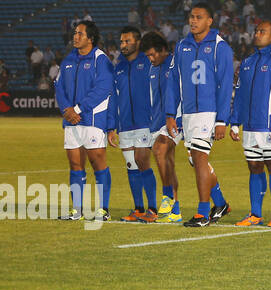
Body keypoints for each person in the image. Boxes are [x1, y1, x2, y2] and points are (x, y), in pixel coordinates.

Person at [164, 4, 234, 228]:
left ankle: (203, 214)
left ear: (210, 21)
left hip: (208, 112)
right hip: (187, 113)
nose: (193, 21)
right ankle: (221, 204)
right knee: (196, 160)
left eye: (199, 17)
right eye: (191, 17)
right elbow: (174, 82)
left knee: (200, 158)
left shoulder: (219, 47)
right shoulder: (182, 46)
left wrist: (222, 119)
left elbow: (225, 86)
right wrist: (170, 113)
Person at [228, 20, 271, 227]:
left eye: (263, 31)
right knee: (254, 167)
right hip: (250, 126)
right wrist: (235, 122)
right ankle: (255, 213)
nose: (257, 34)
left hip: (269, 126)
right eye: (256, 31)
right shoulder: (247, 62)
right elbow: (240, 94)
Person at [55, 21, 116, 221]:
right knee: (75, 163)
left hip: (92, 119)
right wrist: (66, 110)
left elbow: (103, 89)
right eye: (75, 33)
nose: (75, 36)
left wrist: (78, 109)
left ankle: (103, 209)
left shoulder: (101, 59)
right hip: (72, 120)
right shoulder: (68, 60)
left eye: (80, 34)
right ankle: (77, 210)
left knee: (97, 161)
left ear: (90, 38)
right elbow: (59, 87)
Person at [112, 25, 159, 222]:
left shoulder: (147, 62)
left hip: (144, 122)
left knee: (142, 161)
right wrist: (112, 125)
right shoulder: (119, 67)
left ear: (138, 43)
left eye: (127, 41)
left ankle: (153, 209)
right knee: (131, 165)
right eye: (122, 41)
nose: (123, 45)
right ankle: (138, 208)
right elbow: (114, 97)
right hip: (125, 124)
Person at [140, 32, 183, 223]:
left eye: (153, 54)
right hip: (156, 122)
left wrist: (175, 116)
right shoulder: (151, 69)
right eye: (148, 55)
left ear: (163, 50)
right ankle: (175, 211)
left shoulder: (176, 64)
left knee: (159, 150)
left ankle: (166, 196)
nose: (151, 59)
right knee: (168, 163)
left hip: (174, 119)